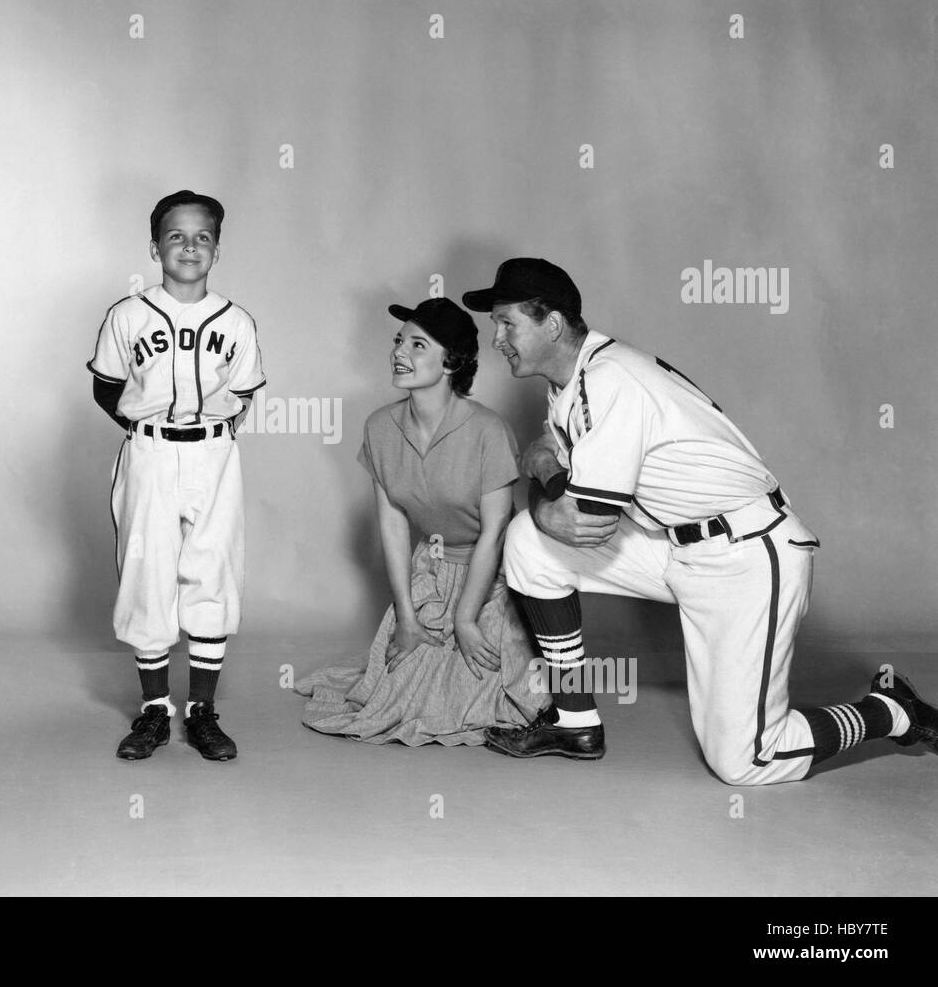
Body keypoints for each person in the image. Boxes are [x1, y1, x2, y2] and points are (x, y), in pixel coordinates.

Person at [464, 257, 937, 783]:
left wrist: (541, 467)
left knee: (745, 762)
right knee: (529, 540)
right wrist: (545, 484)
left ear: (551, 324)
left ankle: (893, 711)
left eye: (507, 323)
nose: (497, 338)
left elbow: (584, 518)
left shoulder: (612, 380)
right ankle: (574, 721)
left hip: (746, 557)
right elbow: (564, 503)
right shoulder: (573, 381)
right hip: (671, 545)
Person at [295, 297, 547, 745]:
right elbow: (391, 524)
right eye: (397, 342)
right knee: (398, 689)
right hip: (429, 572)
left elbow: (496, 531)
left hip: (495, 579)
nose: (398, 353)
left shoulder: (488, 430)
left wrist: (467, 619)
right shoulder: (379, 427)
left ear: (450, 361)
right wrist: (407, 617)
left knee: (477, 689)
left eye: (417, 345)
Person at [89, 190, 266, 761]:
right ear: (154, 247)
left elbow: (241, 394)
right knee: (148, 573)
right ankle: (154, 711)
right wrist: (149, 428)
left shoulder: (236, 320)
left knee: (211, 570)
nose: (189, 246)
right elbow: (106, 387)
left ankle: (203, 712)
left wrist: (205, 435)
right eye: (176, 236)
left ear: (217, 248)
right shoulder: (127, 314)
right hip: (150, 453)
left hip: (214, 455)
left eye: (202, 237)